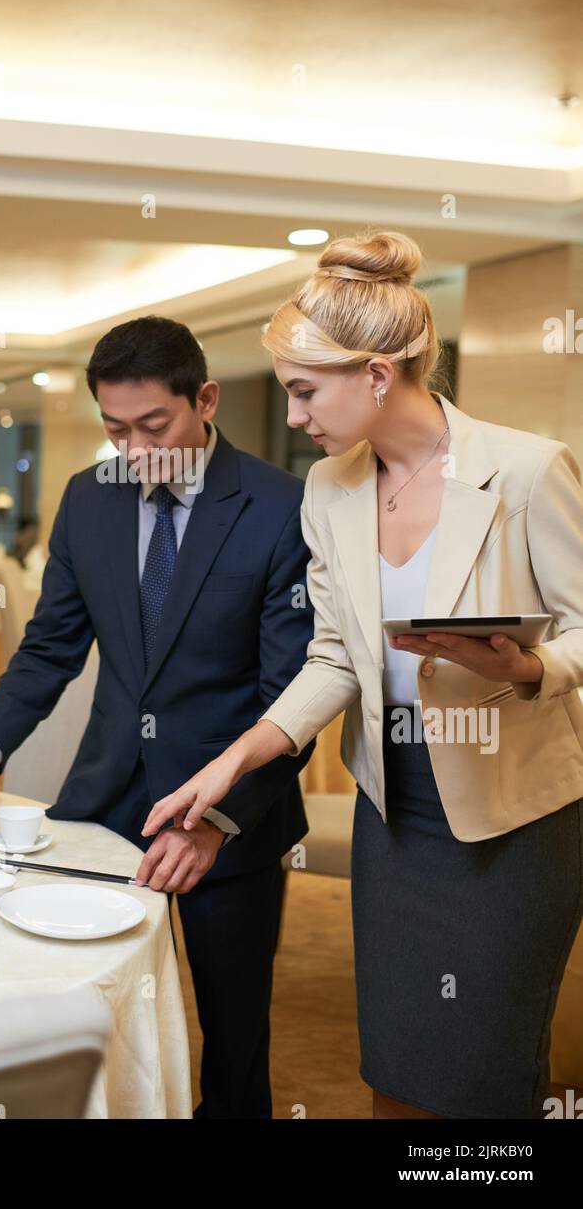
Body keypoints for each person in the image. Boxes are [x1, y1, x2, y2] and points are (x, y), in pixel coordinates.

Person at [142, 230, 583, 1121]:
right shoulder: (328, 488)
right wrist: (237, 759)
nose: (296, 416)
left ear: (376, 376)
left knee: (484, 1076)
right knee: (393, 1063)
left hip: (512, 822)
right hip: (395, 811)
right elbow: (335, 655)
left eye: (305, 391)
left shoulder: (526, 469)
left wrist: (530, 666)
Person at [0, 316, 317, 1119]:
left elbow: (295, 696)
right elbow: (51, 647)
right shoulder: (88, 498)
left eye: (155, 425)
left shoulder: (281, 506)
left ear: (204, 399)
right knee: (83, 1004)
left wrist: (215, 818)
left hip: (232, 817)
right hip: (107, 798)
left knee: (233, 1033)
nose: (136, 449)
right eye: (116, 429)